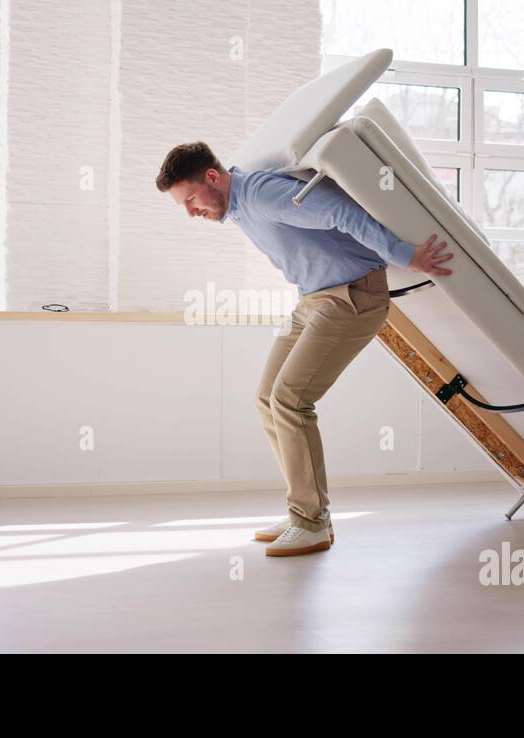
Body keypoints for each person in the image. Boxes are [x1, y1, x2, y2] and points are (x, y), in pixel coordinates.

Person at [156, 141, 453, 556]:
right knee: (267, 399)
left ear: (211, 177)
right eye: (183, 207)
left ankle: (310, 522)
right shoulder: (239, 206)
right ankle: (307, 513)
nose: (192, 212)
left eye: (191, 200)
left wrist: (404, 255)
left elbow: (340, 211)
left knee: (291, 399)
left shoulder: (258, 193)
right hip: (313, 299)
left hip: (352, 295)